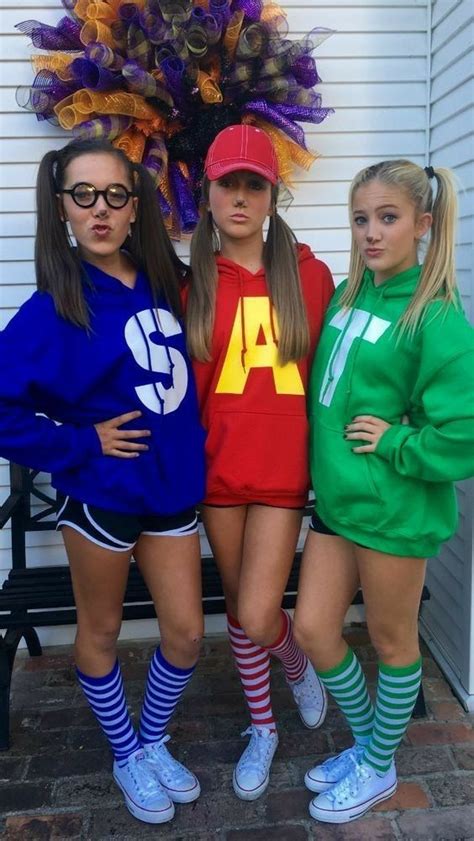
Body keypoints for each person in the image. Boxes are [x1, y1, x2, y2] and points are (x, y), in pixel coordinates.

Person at [0, 138, 207, 825]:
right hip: (100, 498)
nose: (100, 209)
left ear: (134, 205)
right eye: (83, 194)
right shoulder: (54, 306)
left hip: (170, 492)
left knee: (183, 633)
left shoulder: (163, 277)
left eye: (115, 195)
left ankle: (148, 739)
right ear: (61, 206)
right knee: (103, 630)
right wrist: (79, 441)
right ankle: (126, 753)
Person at [293, 159, 474, 823]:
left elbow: (465, 434)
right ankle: (375, 746)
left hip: (395, 510)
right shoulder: (350, 292)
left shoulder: (437, 318)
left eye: (388, 218)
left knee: (392, 641)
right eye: (362, 218)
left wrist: (398, 442)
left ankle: (375, 764)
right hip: (340, 505)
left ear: (423, 225)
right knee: (313, 628)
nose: (372, 232)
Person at [186, 124, 335, 800]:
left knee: (255, 609)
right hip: (218, 473)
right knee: (238, 608)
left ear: (273, 195)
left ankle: (298, 663)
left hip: (280, 475)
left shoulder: (310, 274)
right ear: (207, 193)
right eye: (229, 184)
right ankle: (263, 725)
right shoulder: (188, 284)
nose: (241, 197)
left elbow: (342, 375)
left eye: (255, 184)